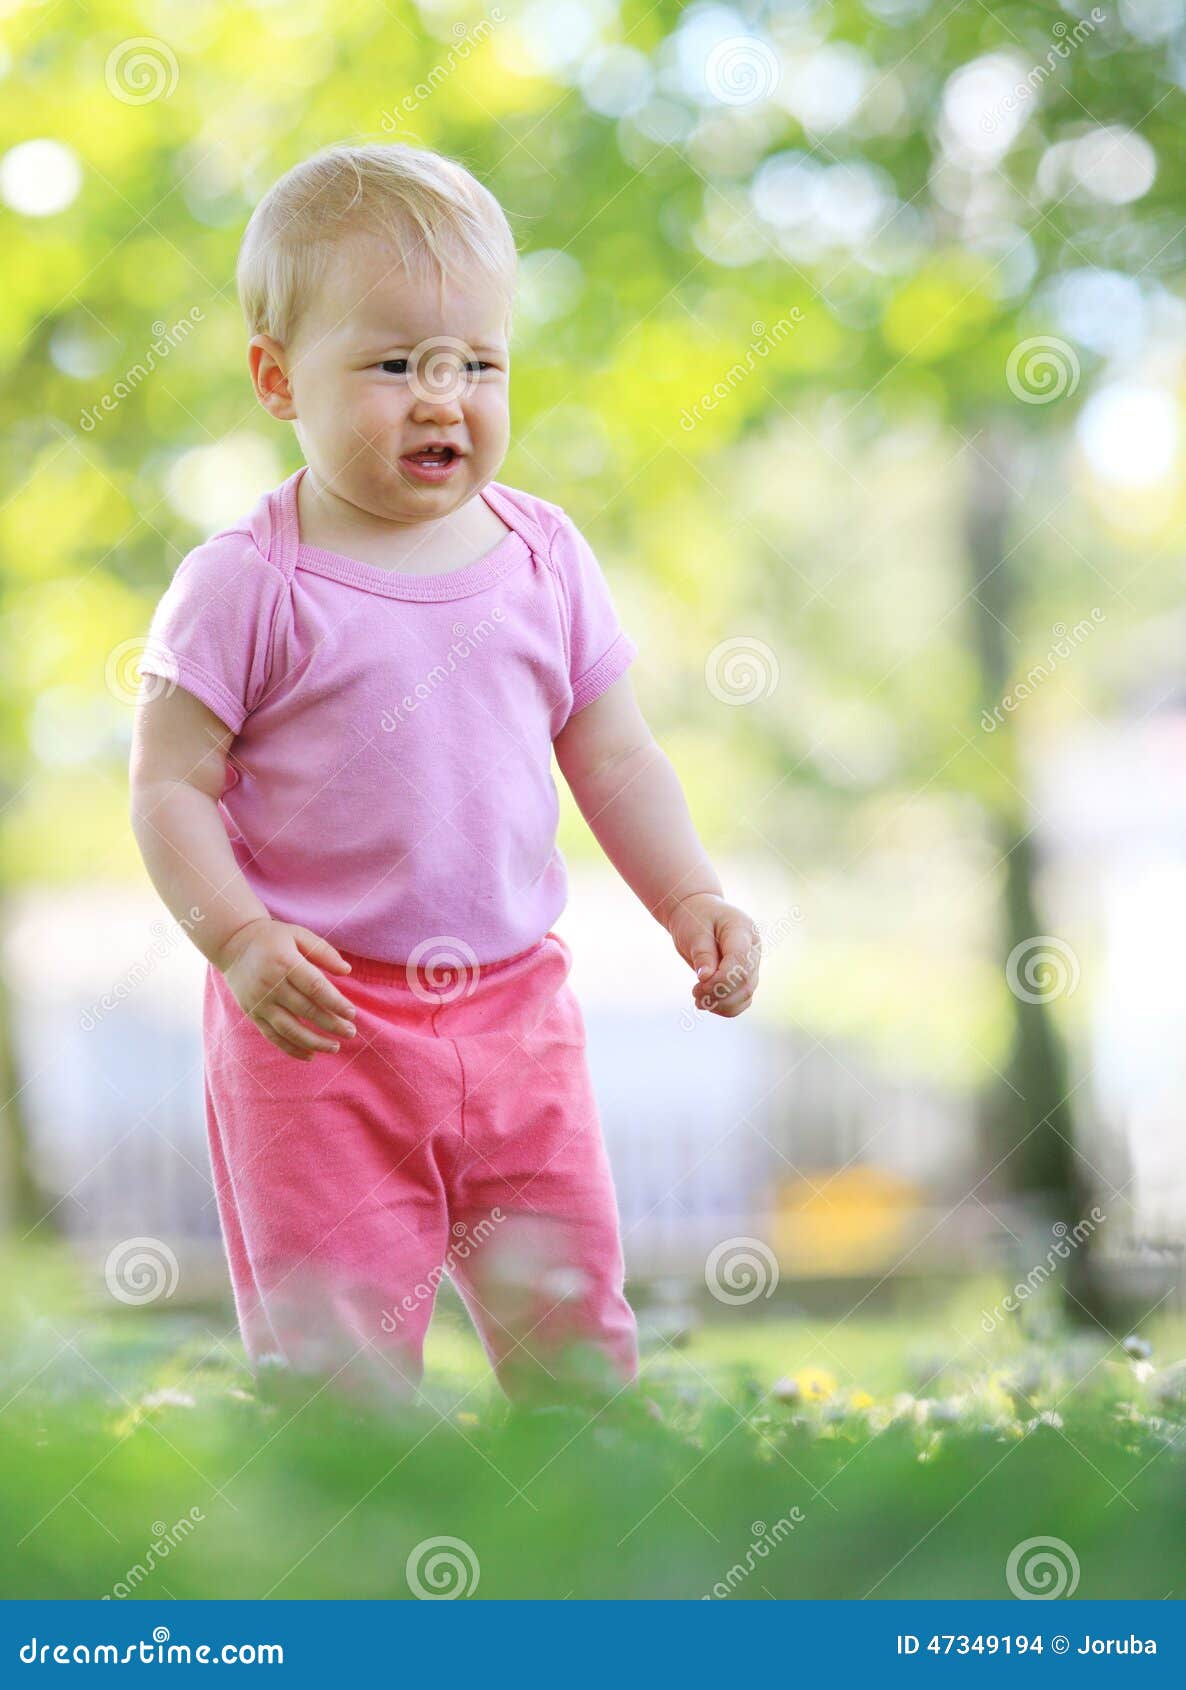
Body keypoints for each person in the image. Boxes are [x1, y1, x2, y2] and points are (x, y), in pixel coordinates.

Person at [129, 142, 761, 1413]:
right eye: (393, 363)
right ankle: (365, 1577)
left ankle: (589, 1563)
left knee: (574, 1333)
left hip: (517, 1016)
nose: (442, 398)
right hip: (320, 1032)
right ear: (275, 377)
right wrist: (241, 941)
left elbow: (614, 750)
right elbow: (167, 787)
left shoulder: (544, 554)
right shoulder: (248, 584)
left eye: (477, 362)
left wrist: (687, 893)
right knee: (340, 1365)